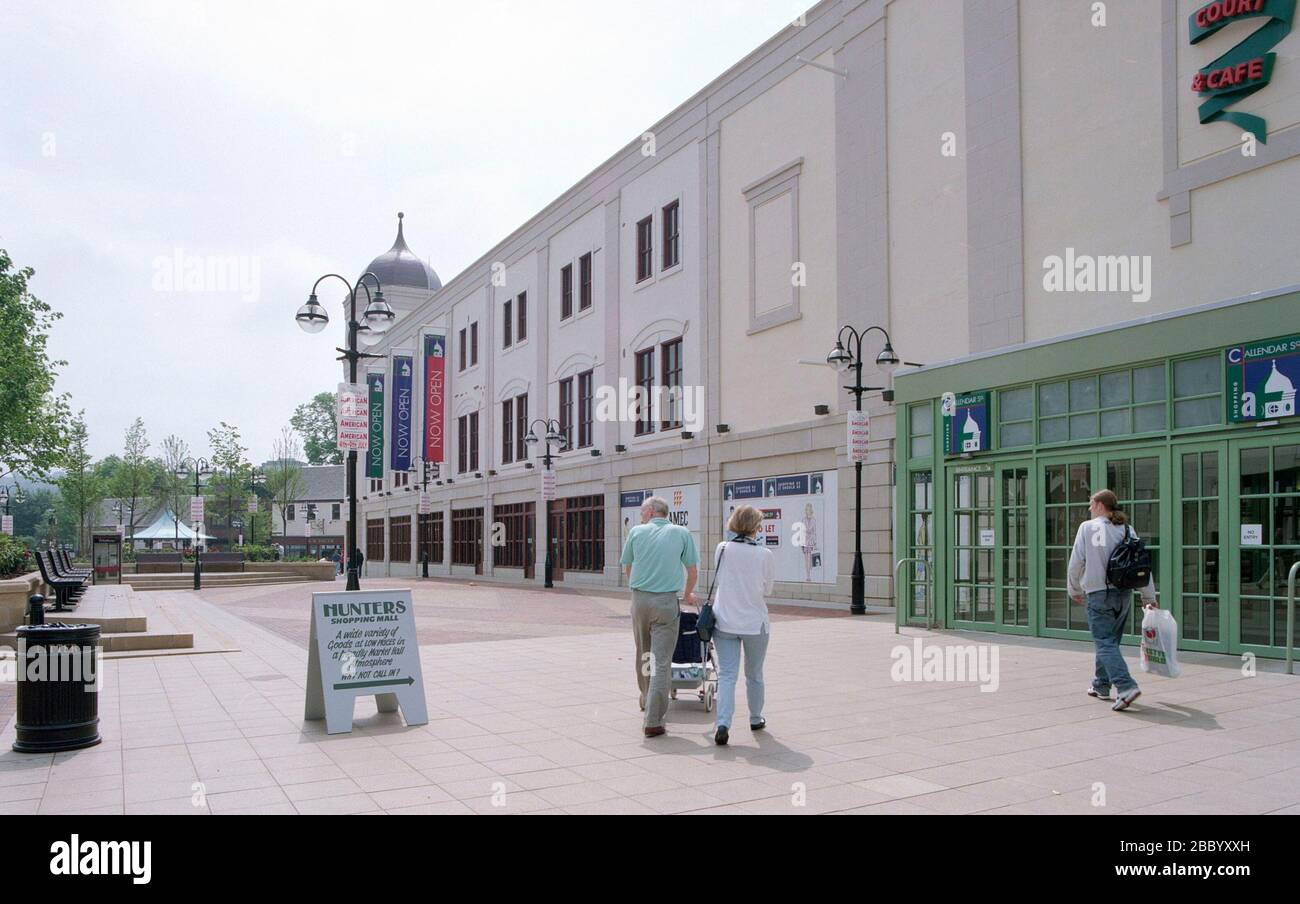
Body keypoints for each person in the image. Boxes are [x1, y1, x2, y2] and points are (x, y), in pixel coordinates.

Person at [1068, 489, 1158, 712]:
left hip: (1098, 594)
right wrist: (1149, 596)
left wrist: (1074, 588)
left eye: (1091, 503)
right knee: (1110, 642)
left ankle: (1126, 687)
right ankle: (1101, 685)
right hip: (1123, 594)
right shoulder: (1126, 529)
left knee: (1104, 642)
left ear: (1100, 504)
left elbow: (1076, 562)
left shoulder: (1087, 528)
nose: (1089, 508)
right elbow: (1141, 564)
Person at [620, 495, 699, 738]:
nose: (641, 516)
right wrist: (687, 594)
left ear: (653, 512)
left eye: (643, 512)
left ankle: (646, 698)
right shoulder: (682, 533)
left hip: (640, 600)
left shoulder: (636, 532)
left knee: (644, 654)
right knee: (662, 661)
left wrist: (638, 585)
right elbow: (692, 571)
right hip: (666, 602)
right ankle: (653, 718)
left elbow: (627, 568)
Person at [710, 505, 775, 746]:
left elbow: (719, 579)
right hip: (754, 623)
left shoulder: (722, 548)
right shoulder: (764, 554)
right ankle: (756, 718)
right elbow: (768, 589)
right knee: (754, 674)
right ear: (755, 527)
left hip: (724, 621)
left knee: (727, 675)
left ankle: (723, 723)